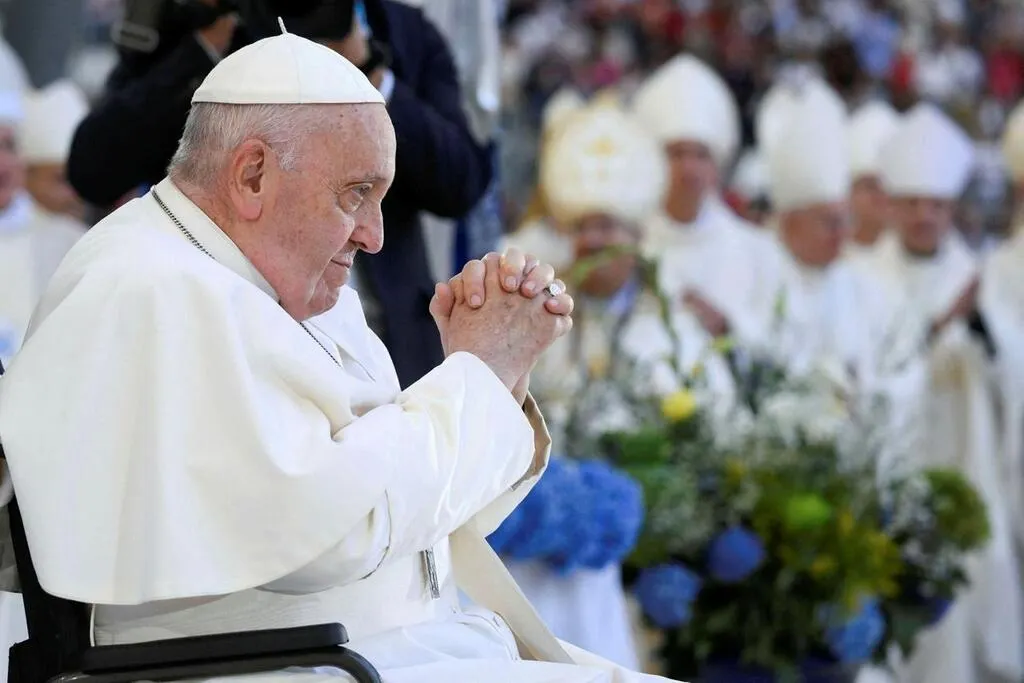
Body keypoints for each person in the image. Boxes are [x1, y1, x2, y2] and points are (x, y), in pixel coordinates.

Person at [0, 32, 675, 683]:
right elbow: (338, 531)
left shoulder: (285, 281)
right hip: (278, 667)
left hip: (383, 650)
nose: (375, 236)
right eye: (356, 194)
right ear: (253, 174)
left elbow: (409, 517)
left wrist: (496, 375)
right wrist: (477, 374)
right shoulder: (152, 288)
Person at [66, 0, 492, 388]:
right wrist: (208, 54)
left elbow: (462, 183)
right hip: (225, 341)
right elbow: (93, 168)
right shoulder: (197, 20)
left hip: (386, 333)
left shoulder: (395, 27)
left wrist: (363, 70)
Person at [870, 102, 1023, 683]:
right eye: (911, 204)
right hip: (892, 474)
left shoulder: (977, 276)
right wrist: (937, 328)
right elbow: (870, 372)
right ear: (892, 206)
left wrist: (982, 332)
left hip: (961, 464)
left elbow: (1009, 363)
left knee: (954, 635)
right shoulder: (866, 277)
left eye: (935, 205)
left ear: (951, 208)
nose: (924, 216)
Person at [750, 77, 890, 381]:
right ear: (790, 223)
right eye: (829, 222)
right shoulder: (755, 274)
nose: (842, 233)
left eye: (844, 220)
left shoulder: (860, 288)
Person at [630, 54, 766, 343]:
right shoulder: (629, 244)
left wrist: (725, 325)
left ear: (717, 165)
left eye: (701, 155)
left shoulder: (755, 250)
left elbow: (772, 338)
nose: (689, 168)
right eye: (676, 154)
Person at [843, 100, 899, 271]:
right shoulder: (830, 251)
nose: (881, 195)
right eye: (869, 186)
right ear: (849, 193)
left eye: (889, 186)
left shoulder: (911, 254)